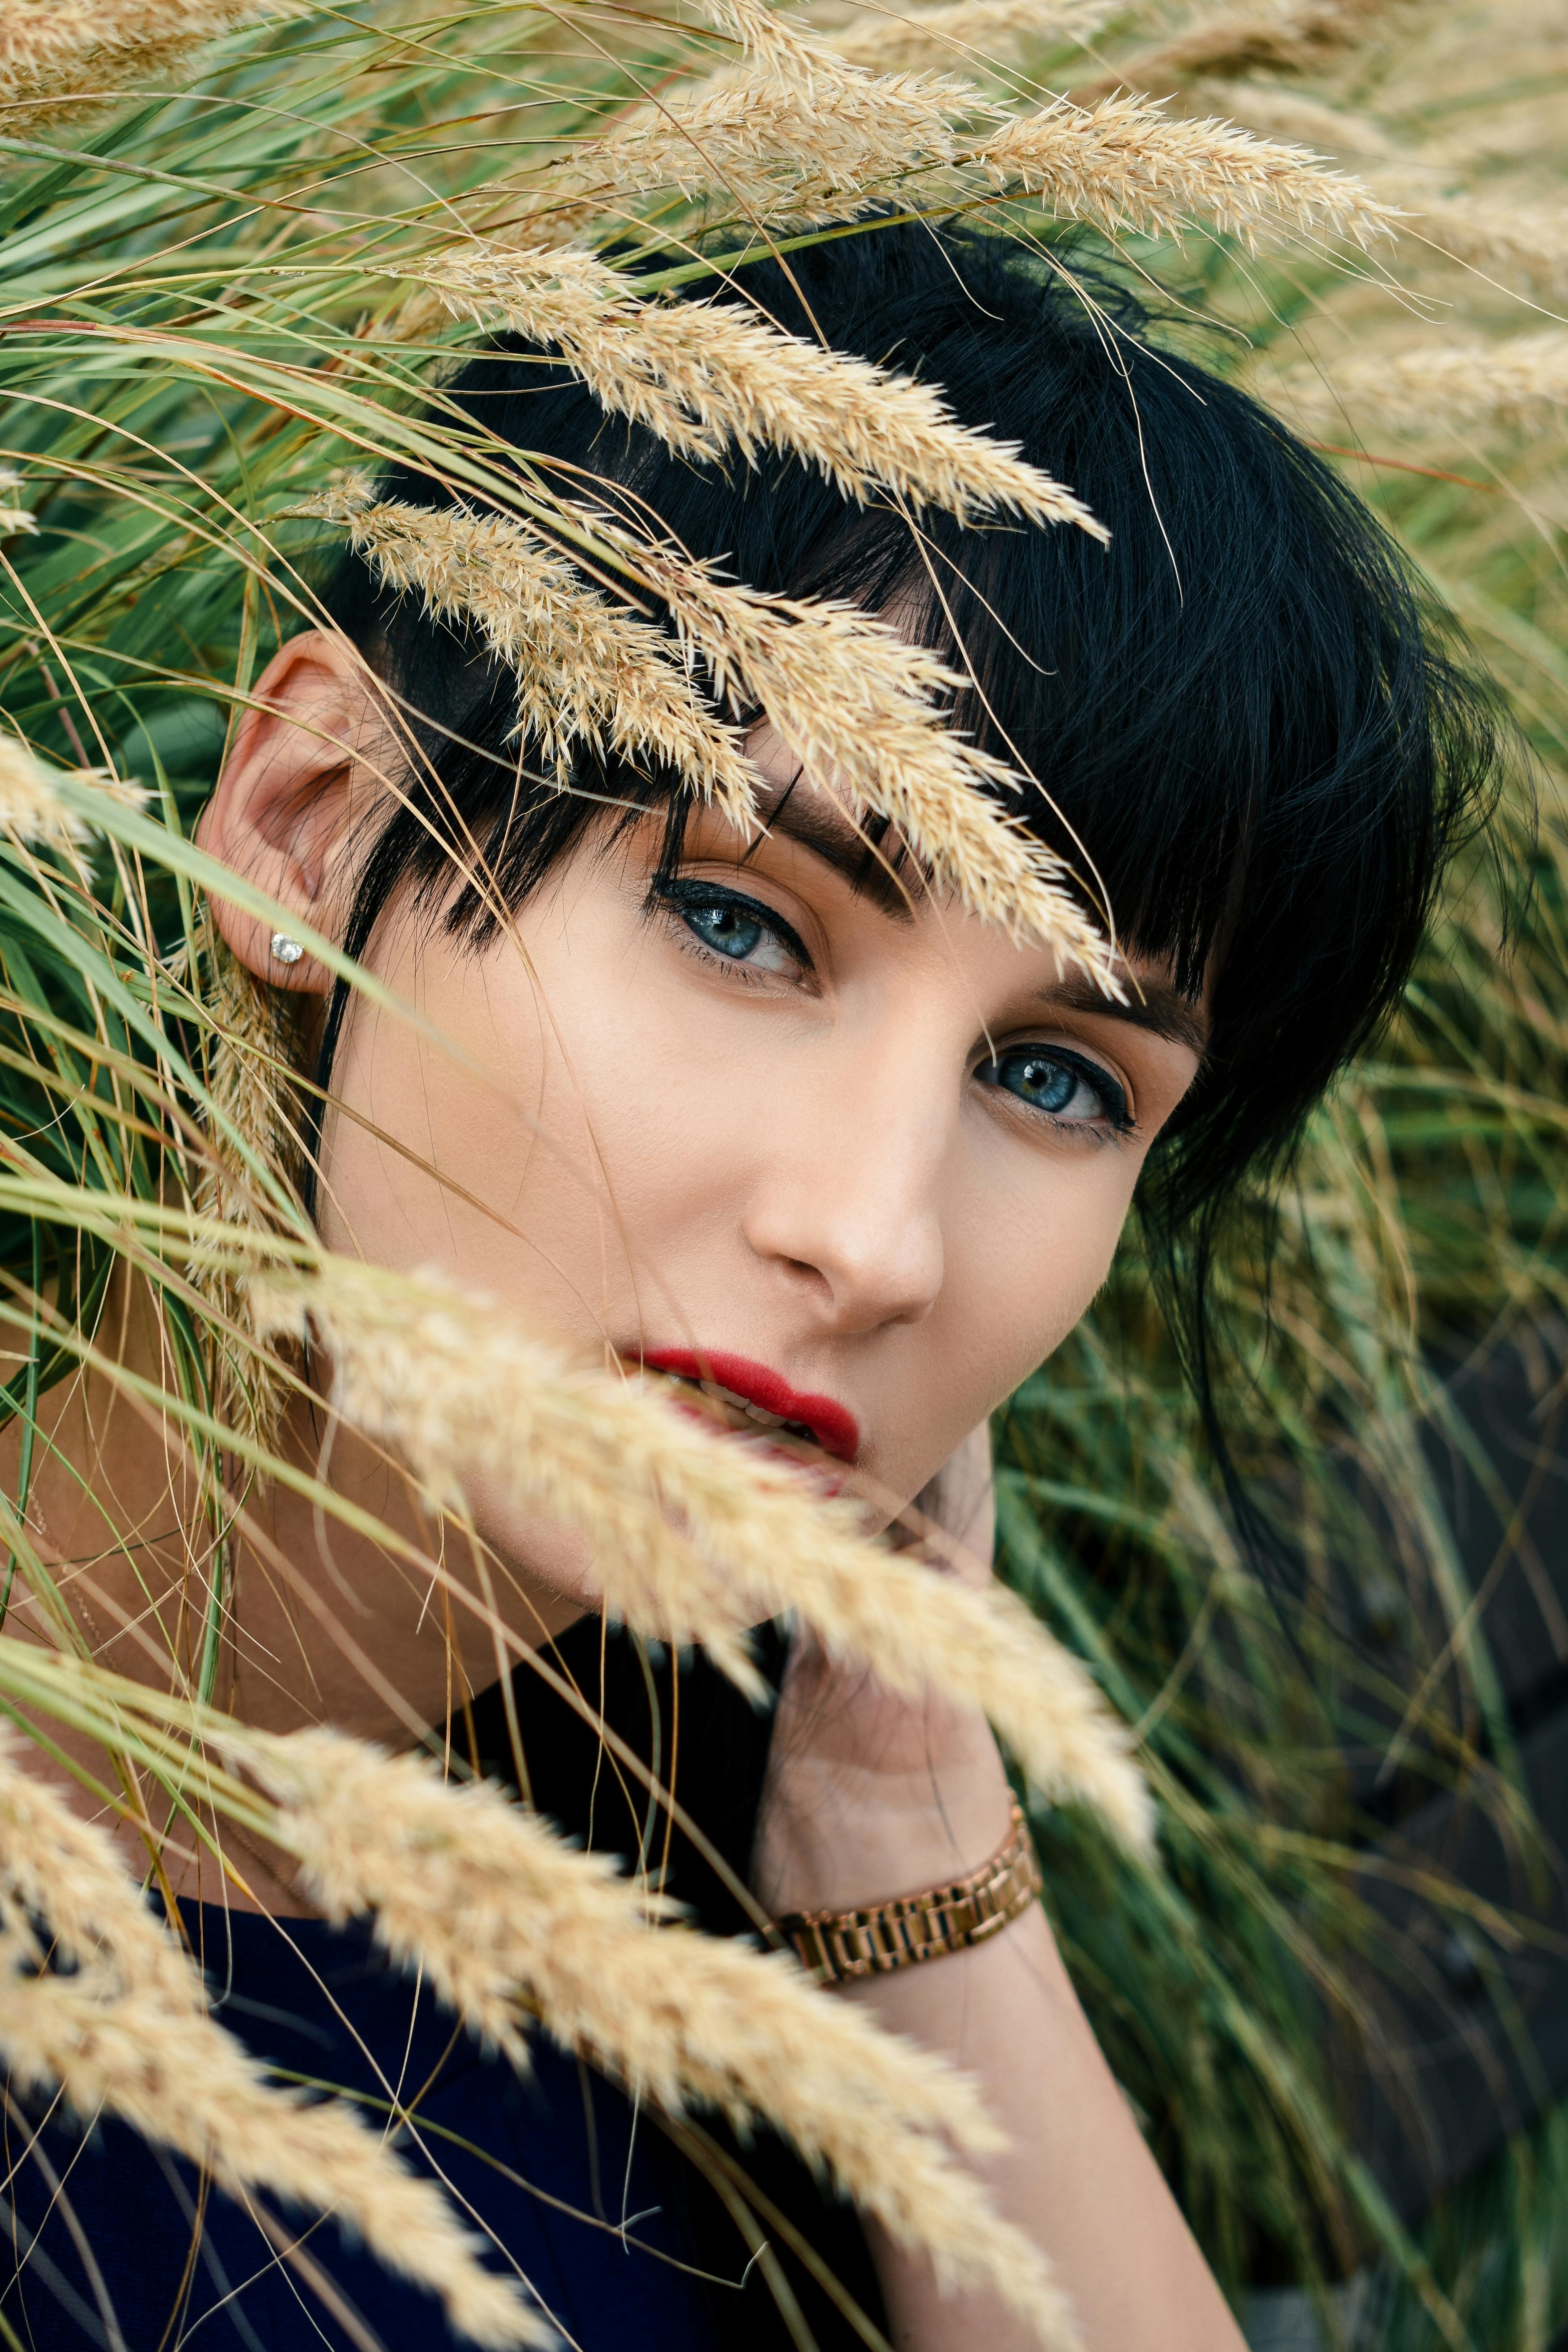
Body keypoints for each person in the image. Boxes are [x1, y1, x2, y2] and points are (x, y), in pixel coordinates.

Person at [0, 222, 1499, 2351]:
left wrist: (913, 1847)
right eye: (743, 923)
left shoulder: (675, 1902)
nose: (876, 1239)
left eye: (1057, 1076)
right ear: (311, 819)